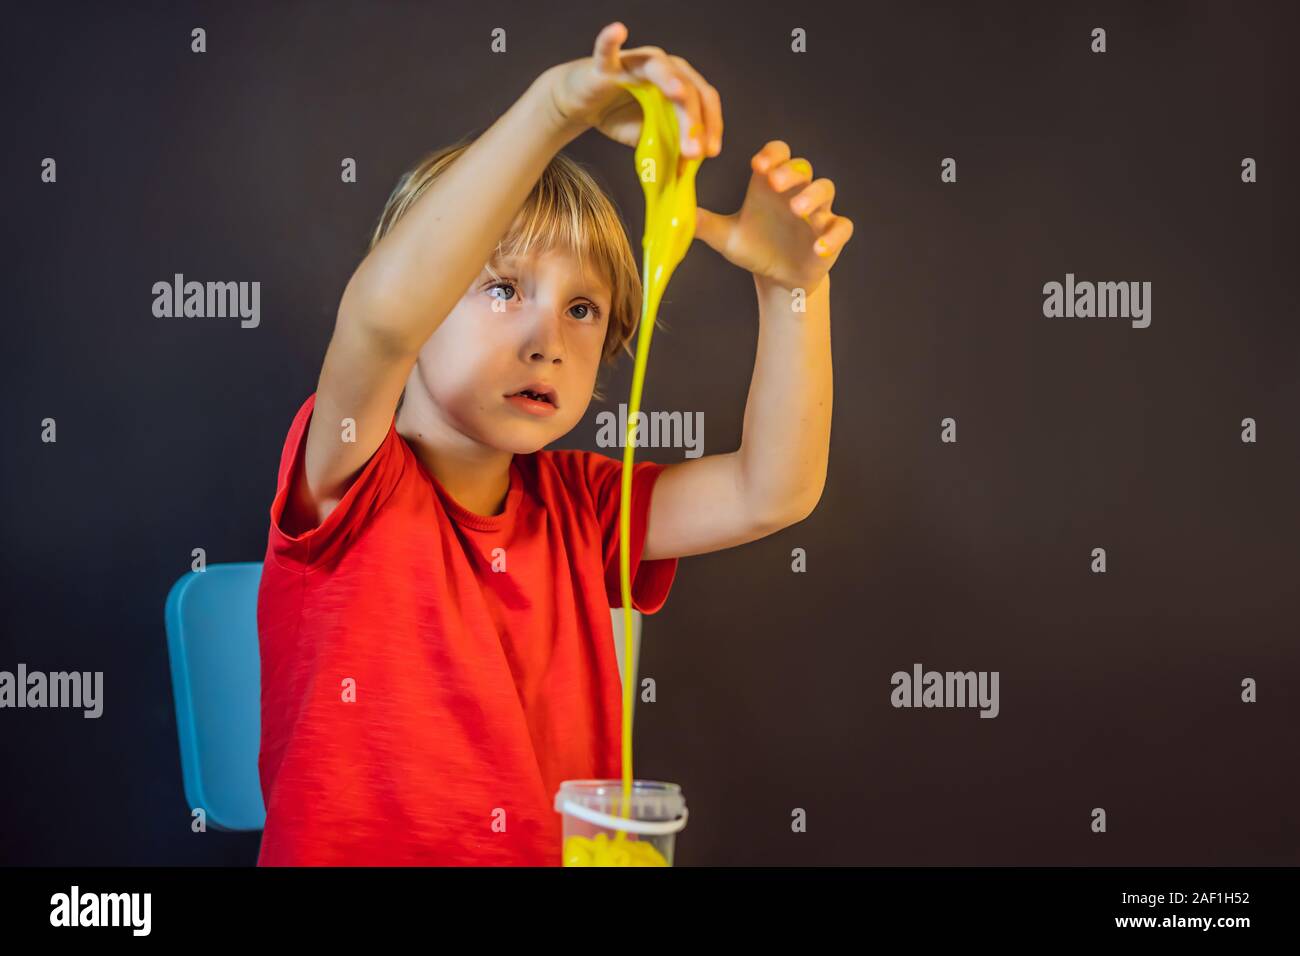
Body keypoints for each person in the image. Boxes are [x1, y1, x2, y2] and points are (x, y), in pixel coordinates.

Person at [255, 21, 851, 865]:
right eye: (503, 289)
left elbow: (774, 490)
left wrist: (793, 290)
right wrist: (554, 110)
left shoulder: (582, 506)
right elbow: (380, 321)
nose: (549, 341)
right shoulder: (354, 475)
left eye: (584, 309)